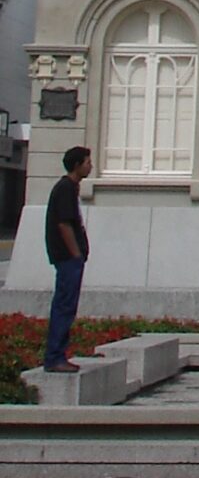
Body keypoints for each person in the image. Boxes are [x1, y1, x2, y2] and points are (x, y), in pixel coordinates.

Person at [44, 143, 92, 370]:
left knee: (67, 306)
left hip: (70, 259)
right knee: (64, 305)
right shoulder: (64, 189)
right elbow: (64, 224)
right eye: (87, 162)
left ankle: (58, 355)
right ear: (77, 165)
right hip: (67, 259)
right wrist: (76, 254)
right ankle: (55, 357)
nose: (90, 166)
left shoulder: (70, 189)